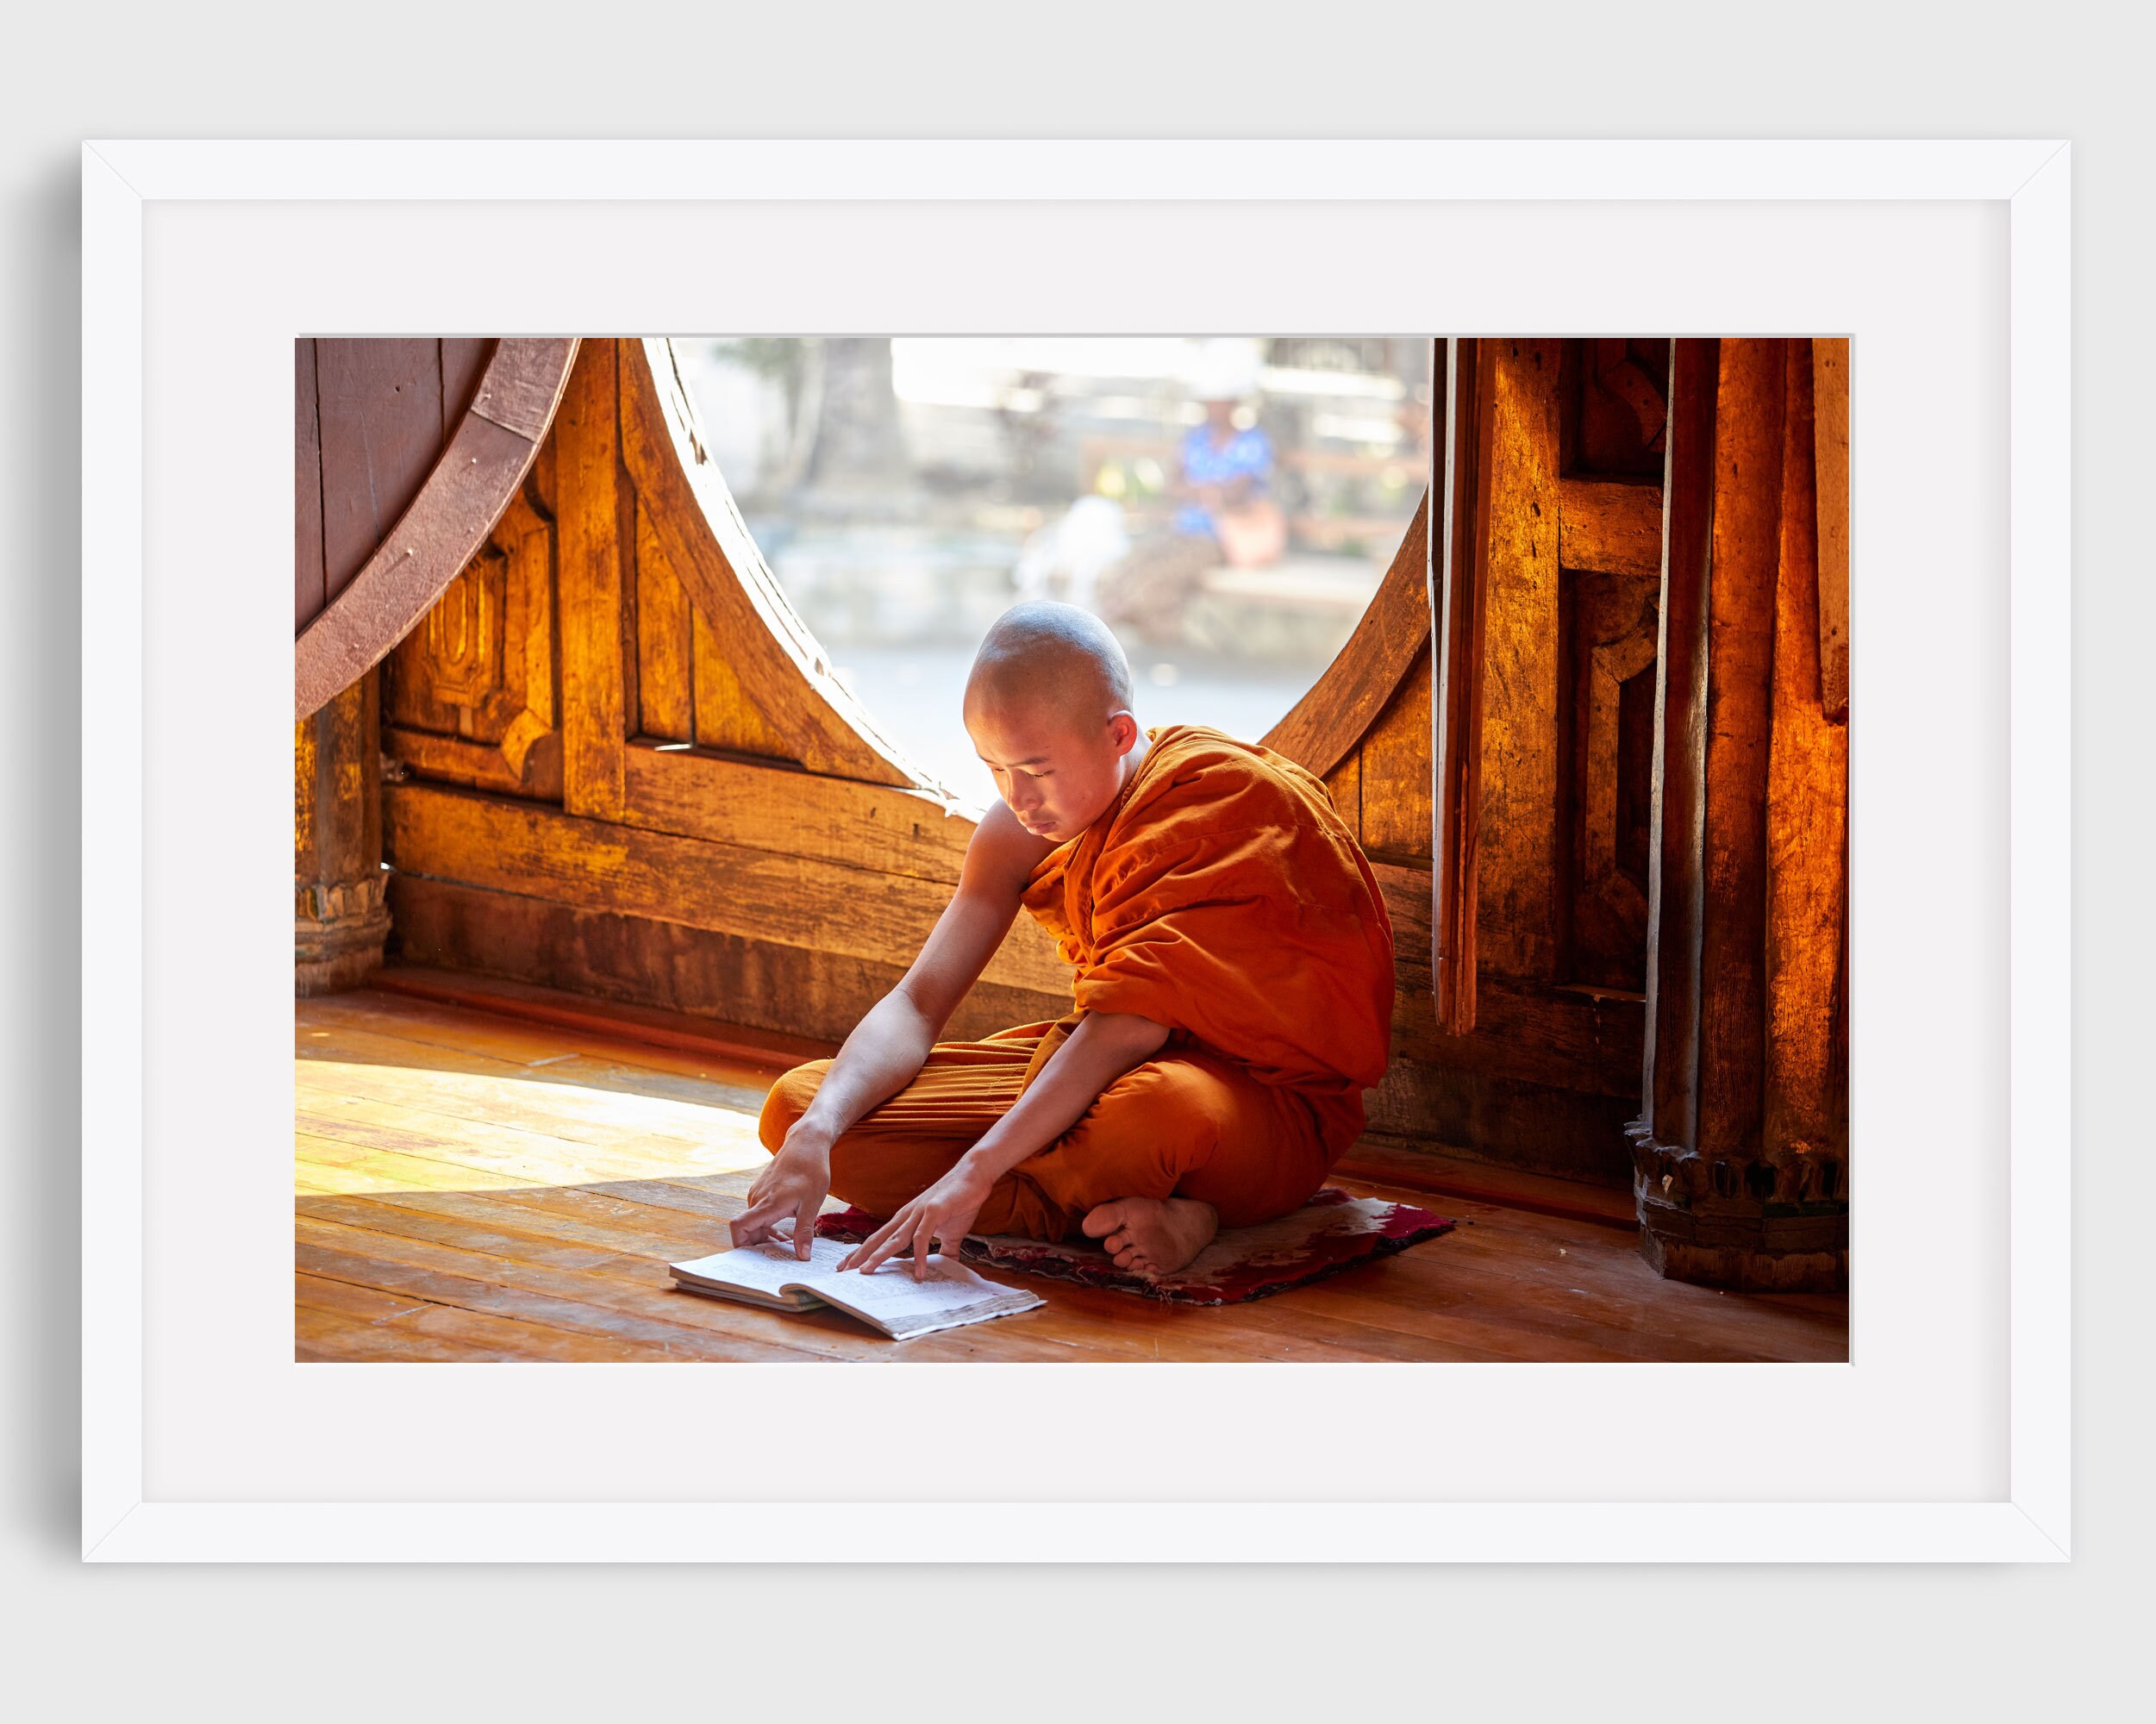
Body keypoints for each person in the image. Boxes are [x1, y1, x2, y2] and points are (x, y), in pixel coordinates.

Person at [730, 600, 1395, 1280]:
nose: (1017, 798)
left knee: (1152, 1116)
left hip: (1252, 1107)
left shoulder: (1220, 799)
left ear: (1118, 733)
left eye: (1036, 770)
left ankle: (1191, 1210)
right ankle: (1121, 1212)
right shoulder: (1015, 832)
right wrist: (819, 1132)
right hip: (1099, 1071)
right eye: (994, 769)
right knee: (798, 1108)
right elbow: (918, 1004)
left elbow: (1126, 1030)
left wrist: (974, 1168)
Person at [1097, 337, 1284, 640]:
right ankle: (1113, 628)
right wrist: (1209, 491)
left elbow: (1235, 494)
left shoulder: (1253, 443)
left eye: (1219, 400)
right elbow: (1175, 486)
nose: (1212, 407)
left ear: (1234, 402)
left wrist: (1198, 490)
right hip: (1183, 530)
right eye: (1209, 400)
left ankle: (1111, 633)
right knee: (1125, 570)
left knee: (1153, 580)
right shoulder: (1196, 439)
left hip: (1217, 540)